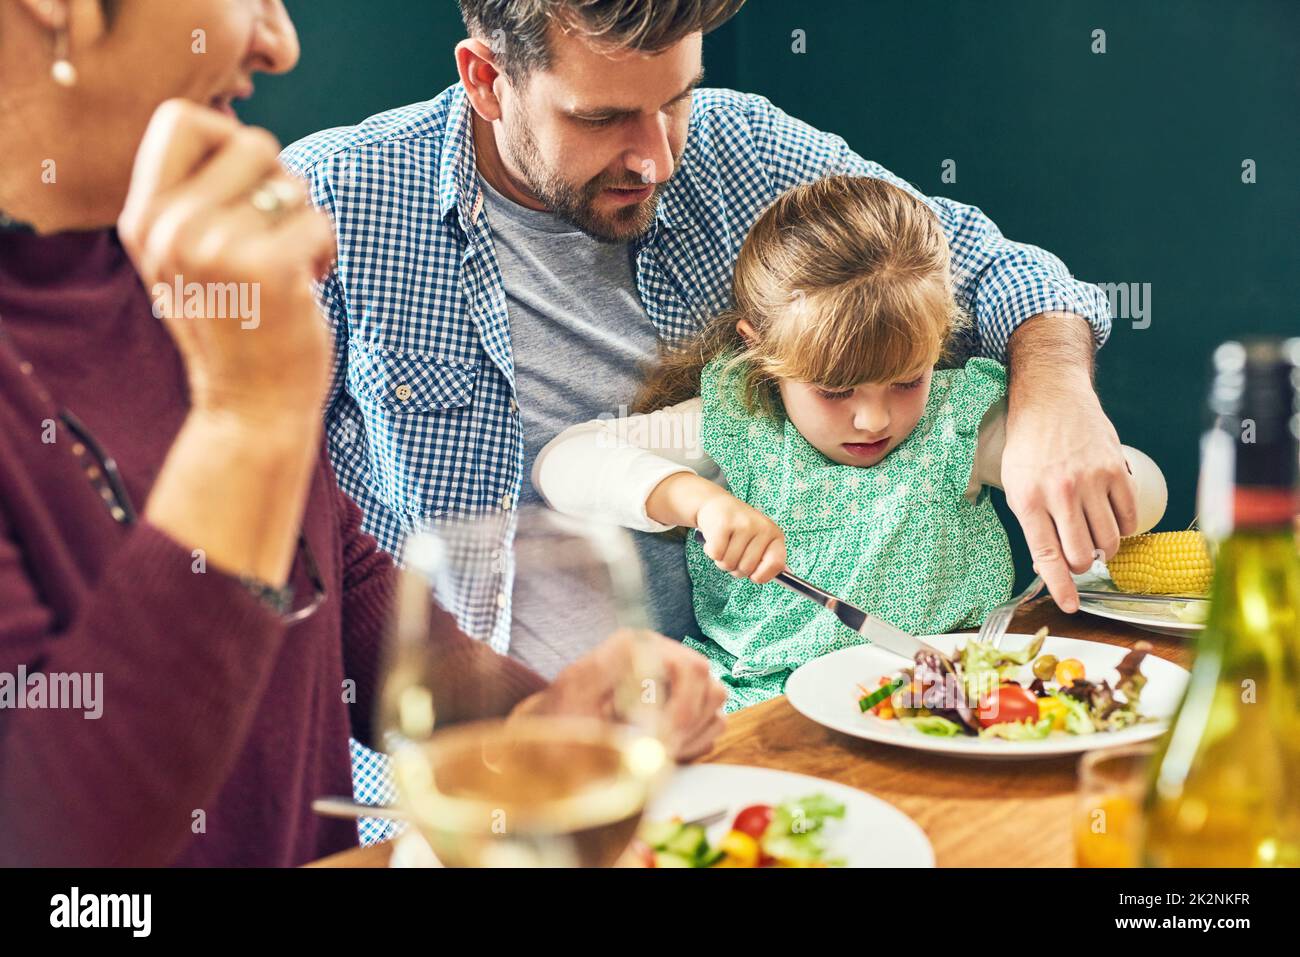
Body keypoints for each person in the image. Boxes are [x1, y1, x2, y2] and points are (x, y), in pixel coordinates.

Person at [0, 0, 724, 868]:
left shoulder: (155, 255)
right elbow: (48, 844)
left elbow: (331, 580)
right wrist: (251, 414)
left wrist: (531, 717)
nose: (279, 40)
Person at [283, 0, 1139, 678]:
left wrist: (1056, 395)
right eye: (604, 117)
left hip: (704, 735)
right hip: (448, 764)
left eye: (676, 98)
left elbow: (990, 264)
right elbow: (254, 534)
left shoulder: (744, 148)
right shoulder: (334, 201)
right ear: (486, 79)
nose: (655, 157)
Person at [535, 177, 1168, 710]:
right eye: (835, 390)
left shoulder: (958, 425)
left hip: (945, 693)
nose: (873, 419)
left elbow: (1141, 487)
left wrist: (1082, 473)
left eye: (905, 380)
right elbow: (563, 462)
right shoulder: (737, 424)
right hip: (766, 707)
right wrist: (695, 501)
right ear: (762, 350)